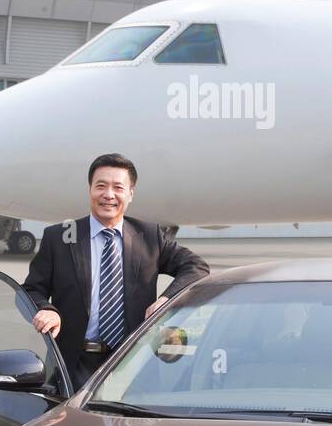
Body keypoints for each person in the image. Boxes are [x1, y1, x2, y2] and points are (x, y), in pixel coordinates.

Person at [23, 152, 210, 387]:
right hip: (73, 364)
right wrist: (47, 309)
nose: (109, 195)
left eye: (118, 188)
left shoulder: (149, 236)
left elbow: (196, 267)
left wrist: (166, 300)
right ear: (90, 190)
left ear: (130, 194)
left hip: (132, 361)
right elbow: (31, 289)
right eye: (101, 186)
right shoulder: (59, 238)